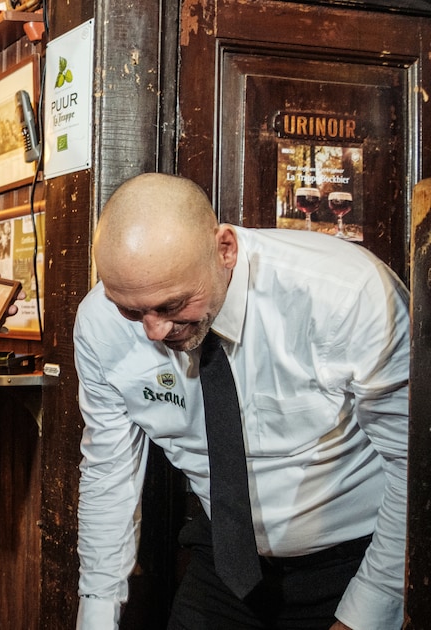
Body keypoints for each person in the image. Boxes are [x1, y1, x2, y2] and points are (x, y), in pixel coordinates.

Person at [73, 173, 408, 629]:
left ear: (225, 248)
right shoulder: (99, 324)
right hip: (226, 560)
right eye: (131, 311)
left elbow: (414, 467)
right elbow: (109, 473)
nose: (153, 331)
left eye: (172, 306)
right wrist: (96, 615)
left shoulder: (345, 294)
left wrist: (368, 610)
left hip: (356, 559)